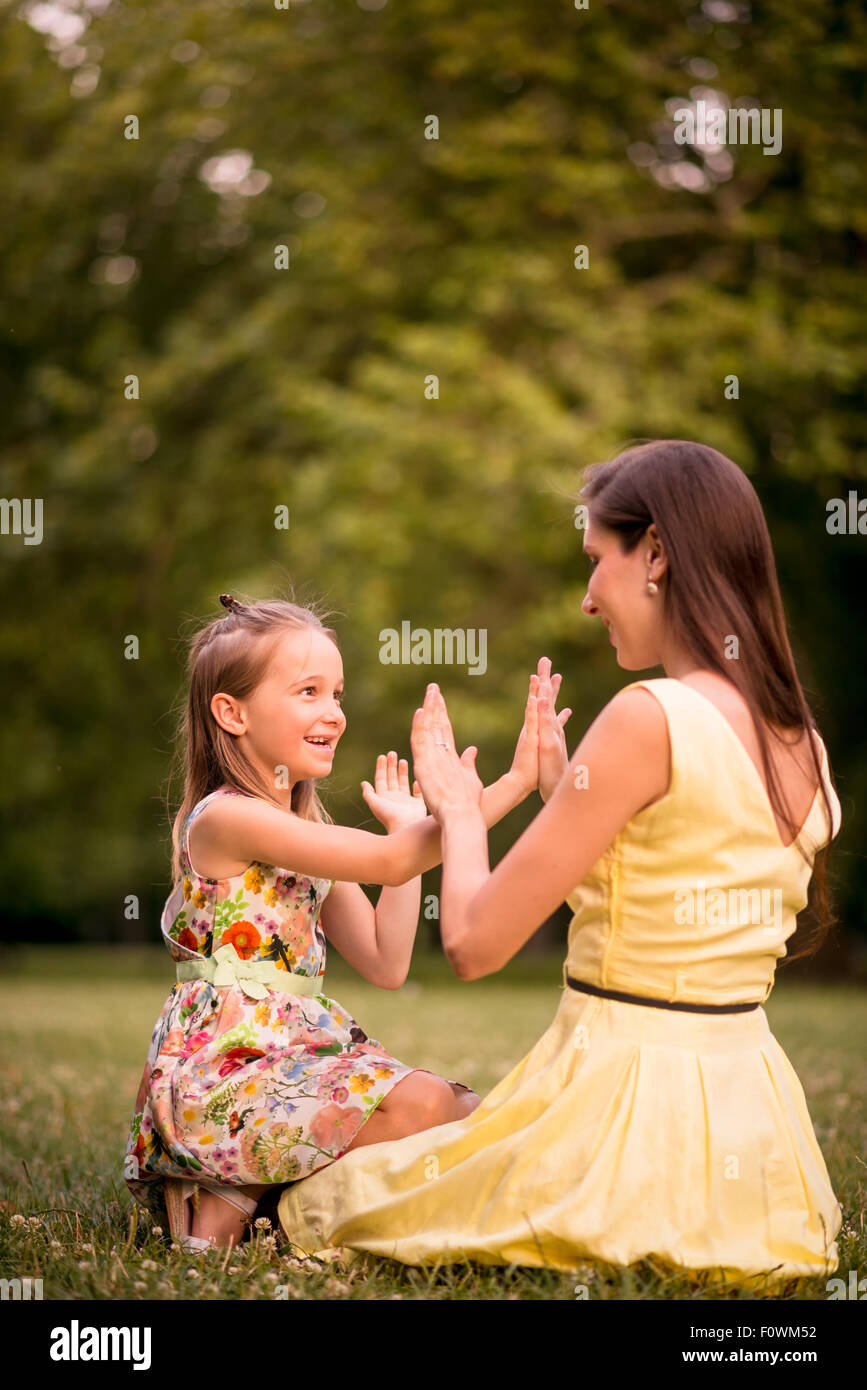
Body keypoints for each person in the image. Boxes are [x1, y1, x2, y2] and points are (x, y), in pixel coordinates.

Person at [277, 439, 845, 1285]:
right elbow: (663, 887)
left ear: (654, 551)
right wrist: (562, 792)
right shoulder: (800, 740)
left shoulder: (646, 715)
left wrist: (461, 810)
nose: (586, 599)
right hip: (755, 1146)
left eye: (594, 561)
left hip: (620, 1122)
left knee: (329, 1199)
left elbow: (471, 943)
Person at [123, 592, 546, 1251]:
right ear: (231, 713)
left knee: (463, 1112)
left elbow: (386, 961)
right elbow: (387, 859)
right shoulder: (227, 818)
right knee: (431, 1107)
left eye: (337, 693)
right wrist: (513, 784)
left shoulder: (304, 830)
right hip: (228, 1077)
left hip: (295, 1060)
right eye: (308, 692)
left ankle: (261, 1196)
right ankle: (228, 1187)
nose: (333, 713)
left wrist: (412, 828)